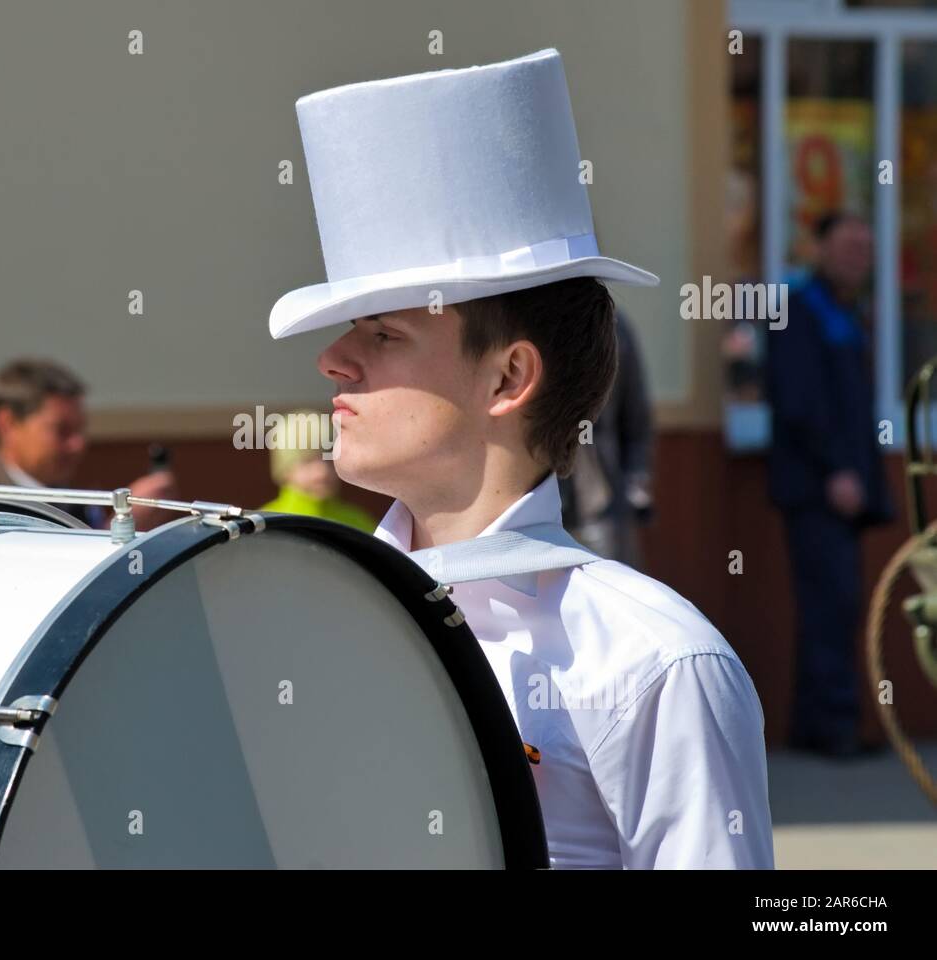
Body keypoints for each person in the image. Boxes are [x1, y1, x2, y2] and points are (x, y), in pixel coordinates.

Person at [268, 50, 773, 867]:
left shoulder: (655, 663)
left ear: (509, 376)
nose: (333, 360)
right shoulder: (304, 617)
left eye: (383, 333)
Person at [765, 211, 894, 760]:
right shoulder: (799, 310)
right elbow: (801, 402)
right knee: (829, 604)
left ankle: (822, 721)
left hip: (842, 489)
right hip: (818, 490)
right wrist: (836, 470)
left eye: (865, 249)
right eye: (847, 246)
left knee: (838, 606)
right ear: (819, 249)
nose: (857, 257)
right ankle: (828, 727)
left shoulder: (845, 312)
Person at [0, 358, 178, 530]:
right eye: (61, 430)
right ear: (7, 424)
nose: (78, 444)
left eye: (79, 429)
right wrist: (122, 527)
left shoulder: (63, 488)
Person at [558, 310, 655, 568]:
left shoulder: (615, 327)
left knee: (615, 593)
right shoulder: (525, 320)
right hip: (541, 508)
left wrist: (636, 483)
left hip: (601, 501)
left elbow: (636, 419)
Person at [258, 409, 377, 532]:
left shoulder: (358, 523)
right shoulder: (267, 524)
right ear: (285, 469)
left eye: (329, 459)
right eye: (307, 462)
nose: (322, 472)